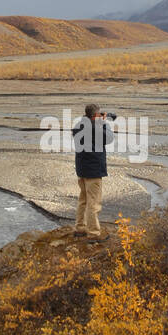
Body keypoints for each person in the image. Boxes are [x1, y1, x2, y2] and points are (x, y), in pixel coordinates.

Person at [72, 103, 114, 241]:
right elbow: (109, 138)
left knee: (83, 200)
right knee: (93, 203)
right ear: (95, 115)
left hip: (82, 169)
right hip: (93, 171)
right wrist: (104, 123)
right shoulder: (96, 128)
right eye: (99, 114)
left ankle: (80, 228)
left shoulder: (78, 126)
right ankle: (94, 234)